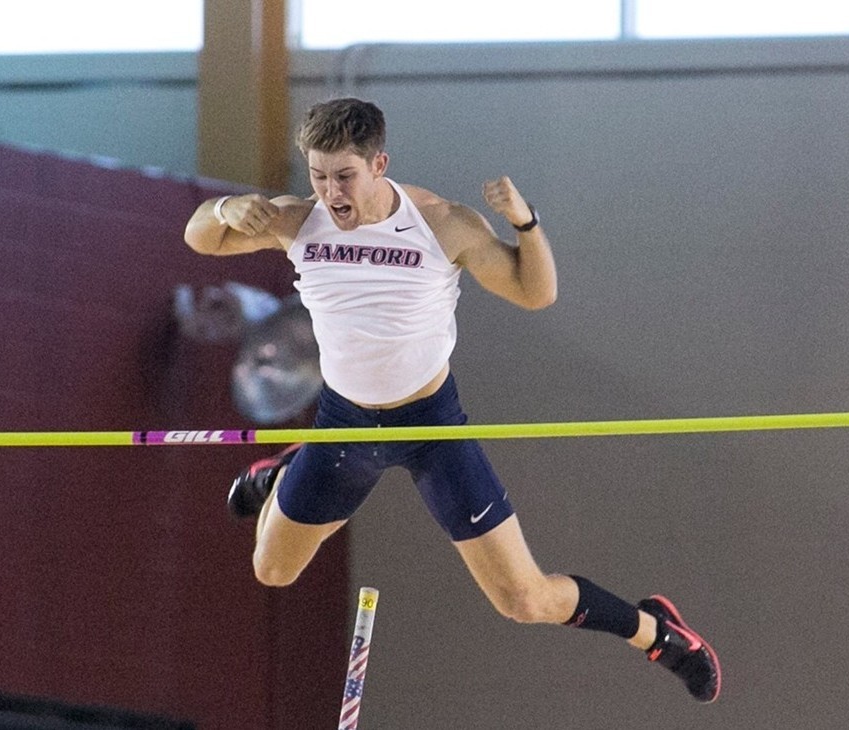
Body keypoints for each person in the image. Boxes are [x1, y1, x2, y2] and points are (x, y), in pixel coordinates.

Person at [184, 97, 720, 703]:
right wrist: (227, 206)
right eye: (318, 175)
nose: (331, 193)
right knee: (272, 570)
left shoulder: (442, 224)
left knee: (524, 599)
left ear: (379, 163)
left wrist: (527, 224)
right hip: (347, 425)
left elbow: (534, 292)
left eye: (344, 176)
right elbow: (200, 237)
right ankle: (288, 468)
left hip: (429, 425)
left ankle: (659, 634)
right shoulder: (296, 220)